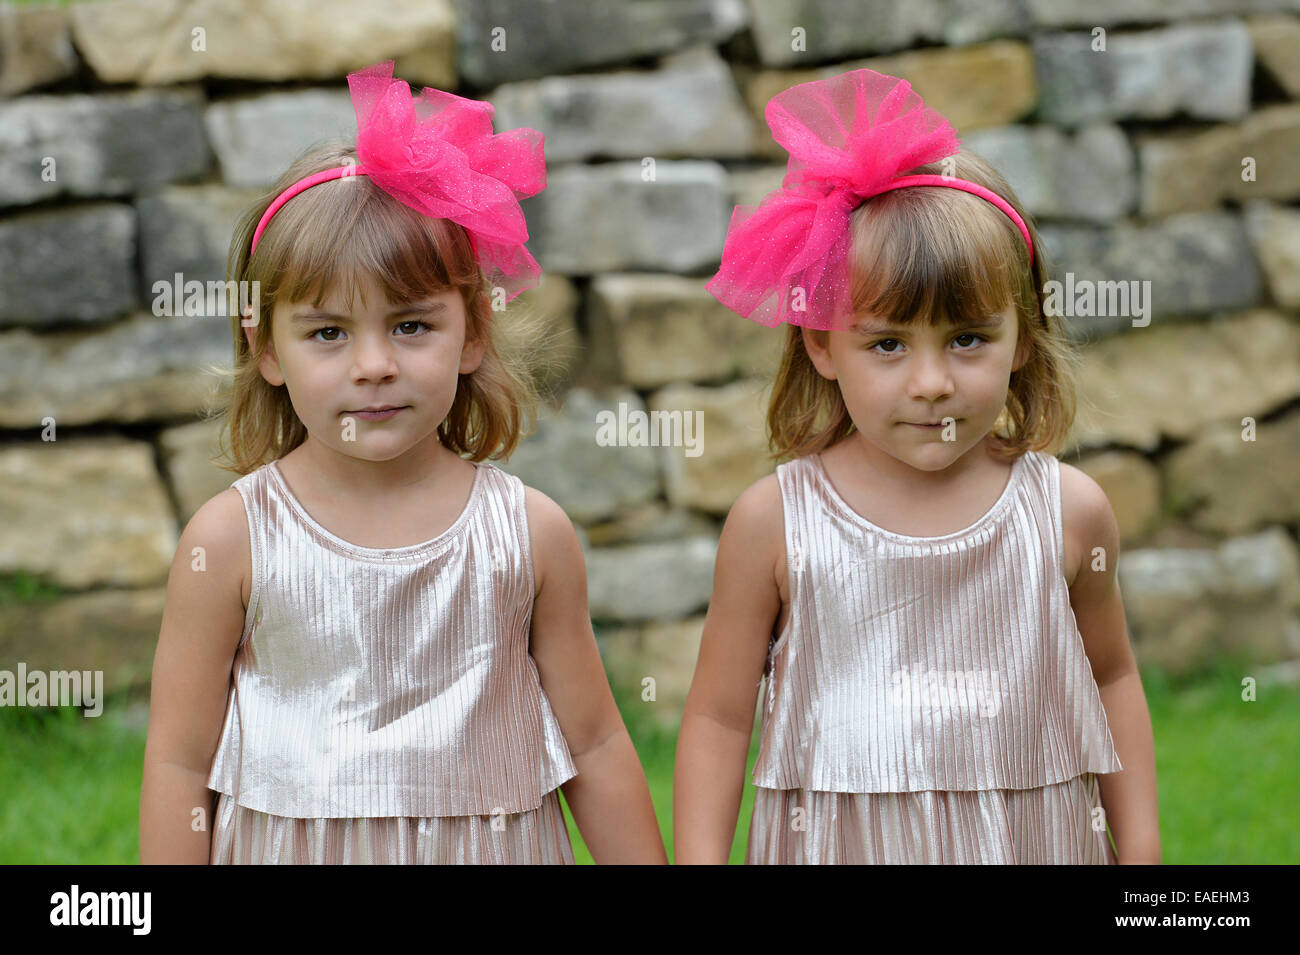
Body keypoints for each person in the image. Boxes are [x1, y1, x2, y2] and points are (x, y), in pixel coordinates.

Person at [139, 61, 666, 865]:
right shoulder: (231, 540)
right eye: (328, 333)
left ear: (474, 332)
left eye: (412, 326)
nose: (374, 364)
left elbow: (592, 743)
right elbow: (179, 762)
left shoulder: (527, 534)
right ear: (266, 348)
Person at [674, 69, 1160, 864]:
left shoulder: (1069, 512)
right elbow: (720, 718)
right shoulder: (775, 523)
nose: (932, 381)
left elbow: (1110, 679)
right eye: (888, 343)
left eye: (968, 338)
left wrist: (1140, 852)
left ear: (1024, 337)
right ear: (823, 344)